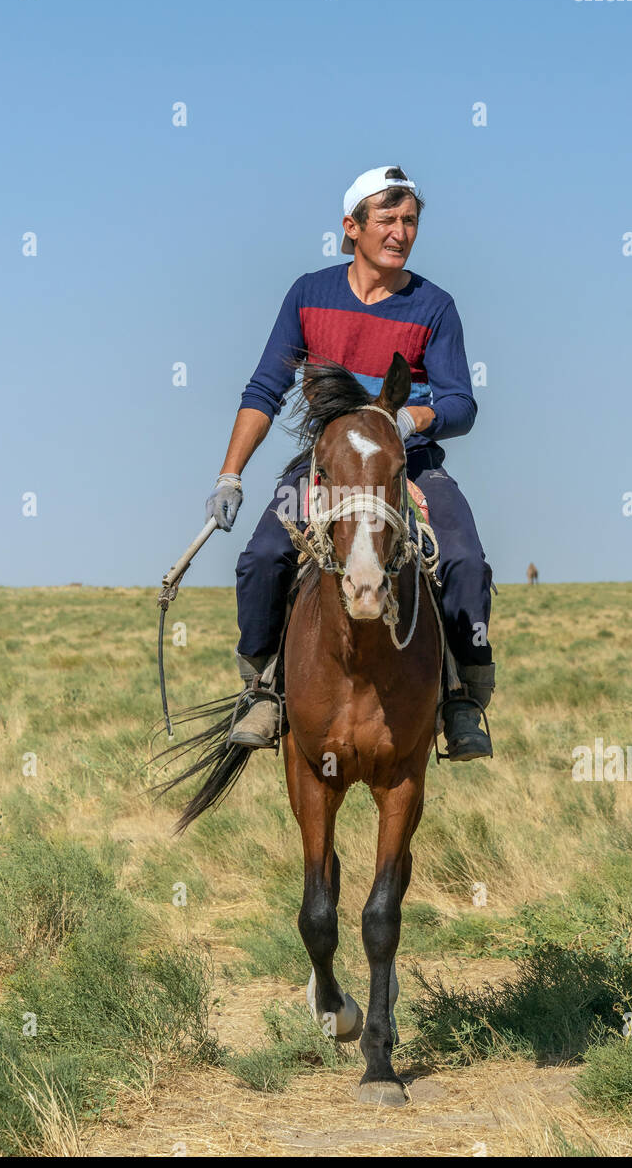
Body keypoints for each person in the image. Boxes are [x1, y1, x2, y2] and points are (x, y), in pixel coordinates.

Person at [204, 165, 494, 760]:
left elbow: (460, 403)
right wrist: (230, 473)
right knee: (262, 558)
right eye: (386, 220)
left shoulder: (435, 306)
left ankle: (463, 697)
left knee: (465, 559)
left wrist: (407, 421)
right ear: (352, 226)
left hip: (408, 467)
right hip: (325, 470)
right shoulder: (310, 294)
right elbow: (265, 389)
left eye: (410, 221)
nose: (400, 233)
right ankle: (262, 689)